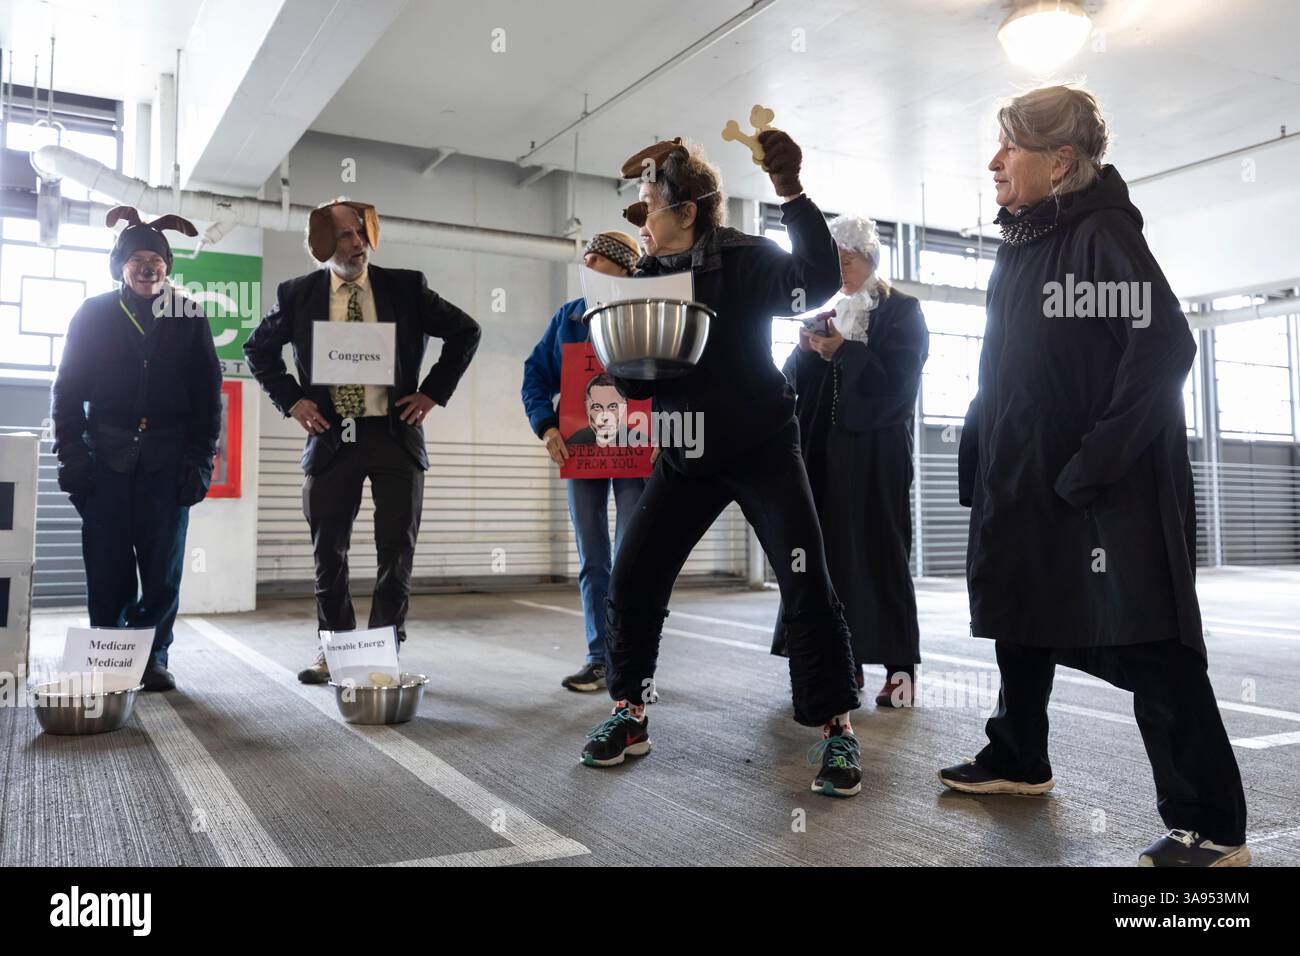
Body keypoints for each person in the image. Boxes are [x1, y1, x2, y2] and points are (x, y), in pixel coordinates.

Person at [938, 85, 1249, 867]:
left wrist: (1095, 462)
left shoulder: (1101, 235)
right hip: (1026, 479)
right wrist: (982, 446)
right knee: (1019, 613)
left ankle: (1212, 827)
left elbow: (1166, 347)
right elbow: (1003, 366)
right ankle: (1018, 758)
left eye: (1008, 147)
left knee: (1147, 644)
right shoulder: (1025, 242)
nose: (994, 162)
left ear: (1060, 161)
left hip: (1096, 492)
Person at [578, 131, 863, 798]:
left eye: (649, 205)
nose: (640, 219)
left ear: (689, 210)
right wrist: (613, 328)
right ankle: (631, 712)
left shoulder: (745, 258)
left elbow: (814, 282)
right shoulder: (648, 278)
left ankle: (837, 729)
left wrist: (791, 193)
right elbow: (640, 386)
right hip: (684, 452)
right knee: (633, 577)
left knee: (805, 583)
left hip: (762, 443)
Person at [244, 198, 481, 683]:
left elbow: (465, 332)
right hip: (331, 436)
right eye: (347, 237)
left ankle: (384, 651)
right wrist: (293, 401)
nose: (359, 245)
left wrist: (433, 393)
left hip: (393, 433)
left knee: (396, 550)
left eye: (362, 233)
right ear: (323, 245)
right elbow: (258, 349)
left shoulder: (406, 287)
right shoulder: (297, 294)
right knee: (328, 551)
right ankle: (335, 650)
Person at [51, 206, 222, 692]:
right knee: (107, 567)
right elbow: (66, 392)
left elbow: (209, 400)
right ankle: (107, 655)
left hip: (167, 466)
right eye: (137, 259)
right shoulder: (93, 314)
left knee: (162, 571)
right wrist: (72, 456)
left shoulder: (189, 315)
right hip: (104, 460)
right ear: (120, 266)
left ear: (168, 266)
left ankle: (152, 659)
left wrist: (199, 462)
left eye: (157, 260)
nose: (148, 267)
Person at [774, 214, 929, 707]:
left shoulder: (903, 310)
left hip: (877, 456)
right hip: (825, 456)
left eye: (846, 259)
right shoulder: (830, 310)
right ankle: (847, 664)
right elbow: (794, 386)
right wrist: (804, 352)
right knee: (830, 559)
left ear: (868, 258)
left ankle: (901, 674)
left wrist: (846, 353)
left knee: (883, 556)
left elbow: (901, 384)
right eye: (833, 261)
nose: (839, 269)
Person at [521, 231, 646, 692]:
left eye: (599, 258)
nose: (587, 261)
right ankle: (598, 657)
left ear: (626, 270)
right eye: (585, 255)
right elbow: (534, 373)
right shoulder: (567, 318)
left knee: (635, 558)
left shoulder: (646, 317)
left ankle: (633, 657)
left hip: (638, 452)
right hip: (582, 449)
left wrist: (667, 433)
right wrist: (547, 425)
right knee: (593, 559)